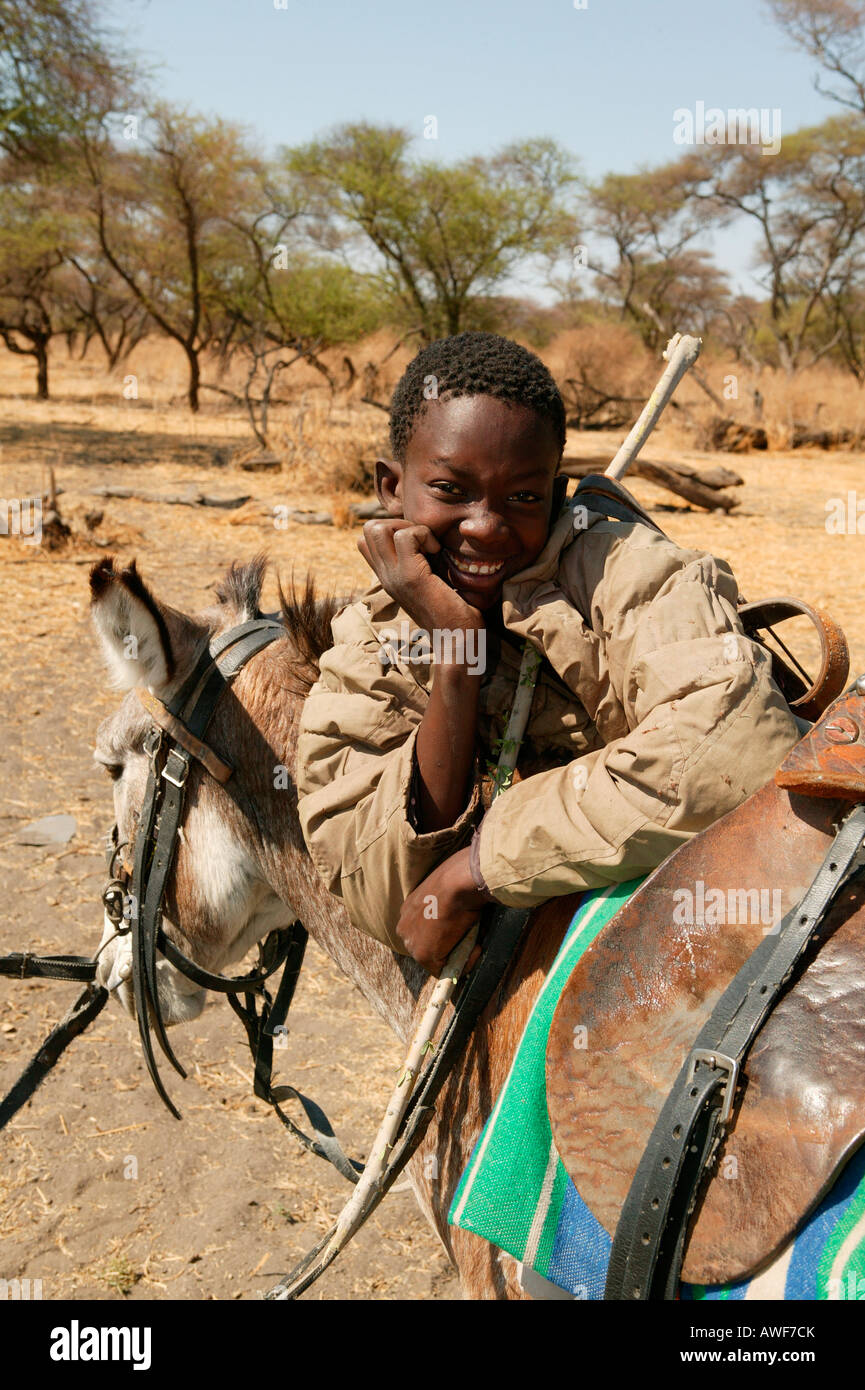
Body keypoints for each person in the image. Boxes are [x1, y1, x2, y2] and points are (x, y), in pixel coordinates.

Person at [296, 332, 801, 975]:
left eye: (523, 497)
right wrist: (456, 658)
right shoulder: (373, 640)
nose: (487, 525)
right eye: (451, 490)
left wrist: (482, 866)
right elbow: (387, 896)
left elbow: (732, 748)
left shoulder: (623, 569)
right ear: (392, 487)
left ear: (557, 495)